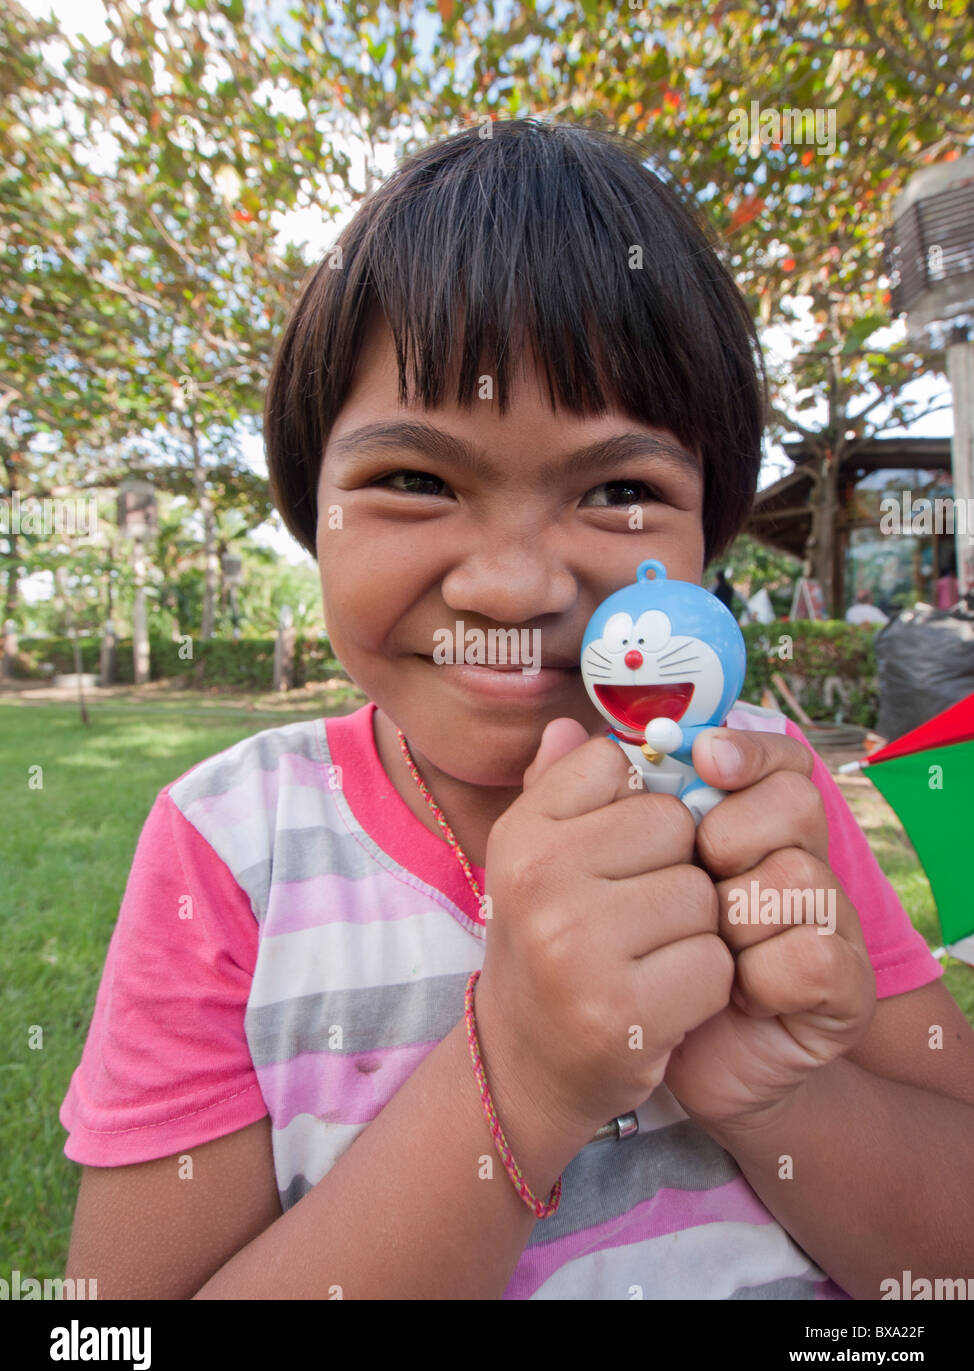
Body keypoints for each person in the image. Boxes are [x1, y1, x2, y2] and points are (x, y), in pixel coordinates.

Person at [61, 120, 974, 1301]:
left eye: (617, 491)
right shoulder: (229, 845)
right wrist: (524, 1078)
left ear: (707, 535)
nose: (511, 584)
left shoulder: (762, 786)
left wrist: (781, 1091)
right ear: (310, 498)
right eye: (415, 480)